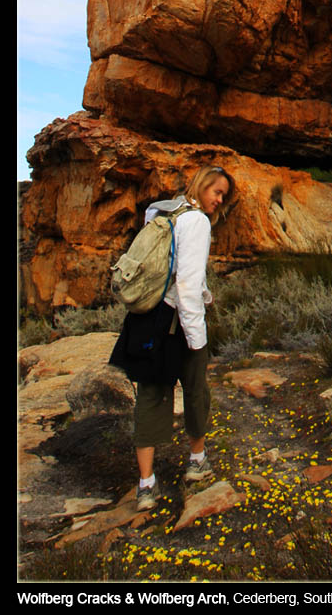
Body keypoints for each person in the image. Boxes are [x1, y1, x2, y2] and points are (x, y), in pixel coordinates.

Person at [110, 165, 233, 509]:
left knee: (150, 396)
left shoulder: (162, 210)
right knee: (196, 391)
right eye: (216, 191)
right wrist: (198, 338)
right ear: (201, 185)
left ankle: (146, 485)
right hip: (177, 321)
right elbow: (189, 285)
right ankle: (196, 462)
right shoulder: (196, 221)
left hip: (147, 317)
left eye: (223, 195)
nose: (218, 200)